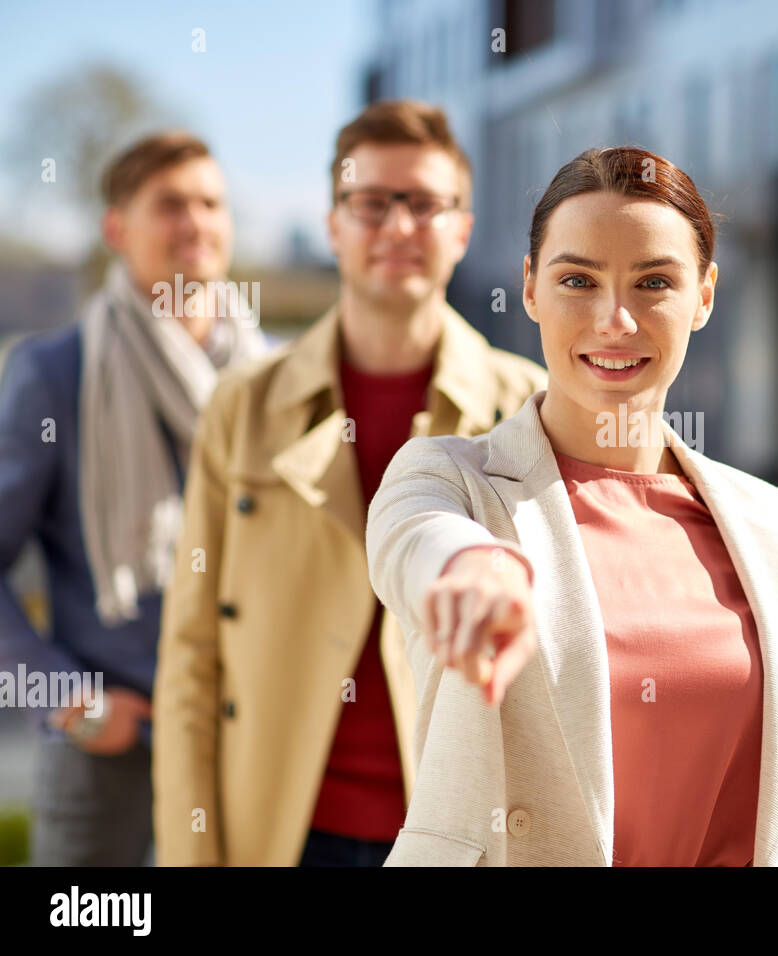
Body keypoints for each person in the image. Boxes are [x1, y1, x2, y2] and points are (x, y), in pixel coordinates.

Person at [366, 146, 778, 866]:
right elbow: (416, 540)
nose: (614, 319)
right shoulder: (451, 479)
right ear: (529, 288)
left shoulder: (771, 522)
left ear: (705, 296)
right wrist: (471, 564)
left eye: (653, 281)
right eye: (577, 280)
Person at [152, 100, 546, 867]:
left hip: (459, 832)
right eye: (371, 204)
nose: (398, 227)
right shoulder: (244, 404)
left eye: (425, 204)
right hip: (281, 828)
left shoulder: (522, 406)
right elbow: (193, 656)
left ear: (462, 230)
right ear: (333, 226)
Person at [0, 131, 267, 865]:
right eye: (170, 204)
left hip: (246, 745)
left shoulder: (275, 377)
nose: (196, 222)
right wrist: (69, 702)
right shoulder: (53, 374)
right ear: (117, 228)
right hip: (107, 755)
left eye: (210, 202)